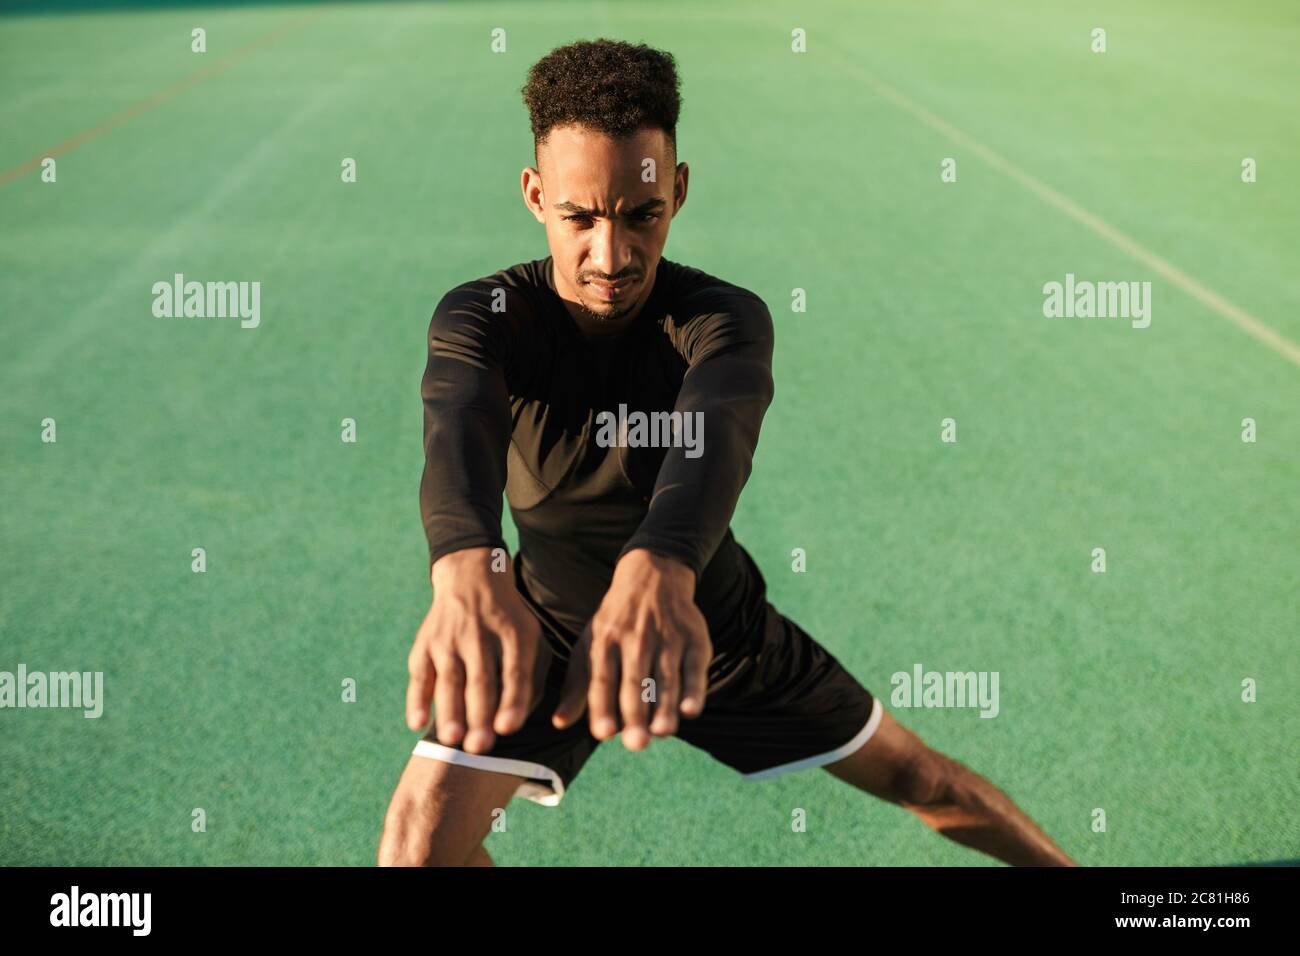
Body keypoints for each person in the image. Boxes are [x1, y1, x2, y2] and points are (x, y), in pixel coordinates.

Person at [378, 38, 1076, 867]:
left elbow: (713, 440)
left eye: (641, 214)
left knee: (928, 784)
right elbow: (457, 423)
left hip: (715, 632)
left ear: (676, 190)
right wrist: (463, 563)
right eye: (580, 217)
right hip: (552, 630)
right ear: (536, 196)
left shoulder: (722, 318)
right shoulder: (485, 315)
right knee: (419, 840)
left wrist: (658, 566)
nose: (612, 255)